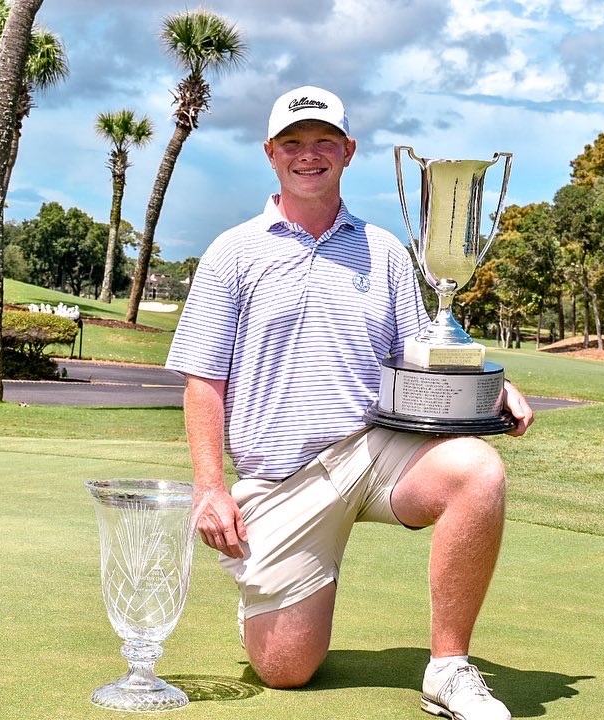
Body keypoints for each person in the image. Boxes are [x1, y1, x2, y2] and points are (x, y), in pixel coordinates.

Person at [165, 85, 534, 720]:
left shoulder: (386, 250)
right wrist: (210, 487)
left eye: (324, 142)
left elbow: (421, 344)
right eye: (294, 143)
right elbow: (204, 379)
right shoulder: (233, 251)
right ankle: (285, 587)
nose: (309, 155)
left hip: (375, 451)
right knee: (285, 670)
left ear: (348, 151)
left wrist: (486, 380)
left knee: (478, 470)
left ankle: (448, 668)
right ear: (271, 154)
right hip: (281, 474)